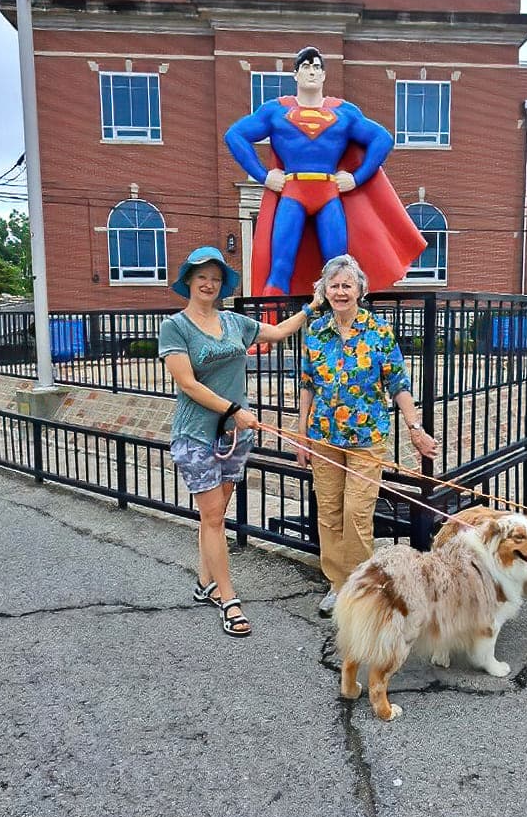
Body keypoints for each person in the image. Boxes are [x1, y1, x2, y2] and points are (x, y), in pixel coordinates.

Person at [158, 246, 320, 637]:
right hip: (196, 434)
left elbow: (279, 332)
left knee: (214, 516)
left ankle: (204, 583)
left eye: (215, 277)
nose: (209, 283)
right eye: (202, 276)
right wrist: (232, 409)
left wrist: (313, 306)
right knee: (214, 518)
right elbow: (187, 384)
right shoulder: (175, 327)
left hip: (235, 434)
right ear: (189, 281)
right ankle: (229, 600)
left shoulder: (234, 323)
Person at [296, 254, 439, 617]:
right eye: (334, 285)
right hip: (324, 435)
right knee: (328, 512)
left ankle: (360, 587)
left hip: (367, 437)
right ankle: (337, 585)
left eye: (347, 285)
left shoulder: (378, 332)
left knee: (357, 513)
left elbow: (398, 383)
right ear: (324, 291)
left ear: (360, 289)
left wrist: (415, 429)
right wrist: (300, 434)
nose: (340, 291)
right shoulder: (315, 333)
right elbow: (307, 385)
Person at [224, 45, 425, 297]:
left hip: (328, 195)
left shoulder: (343, 112)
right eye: (306, 67)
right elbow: (235, 135)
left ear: (324, 75)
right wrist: (264, 176)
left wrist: (356, 178)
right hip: (293, 193)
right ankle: (268, 335)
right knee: (280, 267)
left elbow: (382, 139)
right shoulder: (276, 110)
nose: (312, 72)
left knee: (338, 269)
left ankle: (340, 334)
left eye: (317, 67)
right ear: (295, 74)